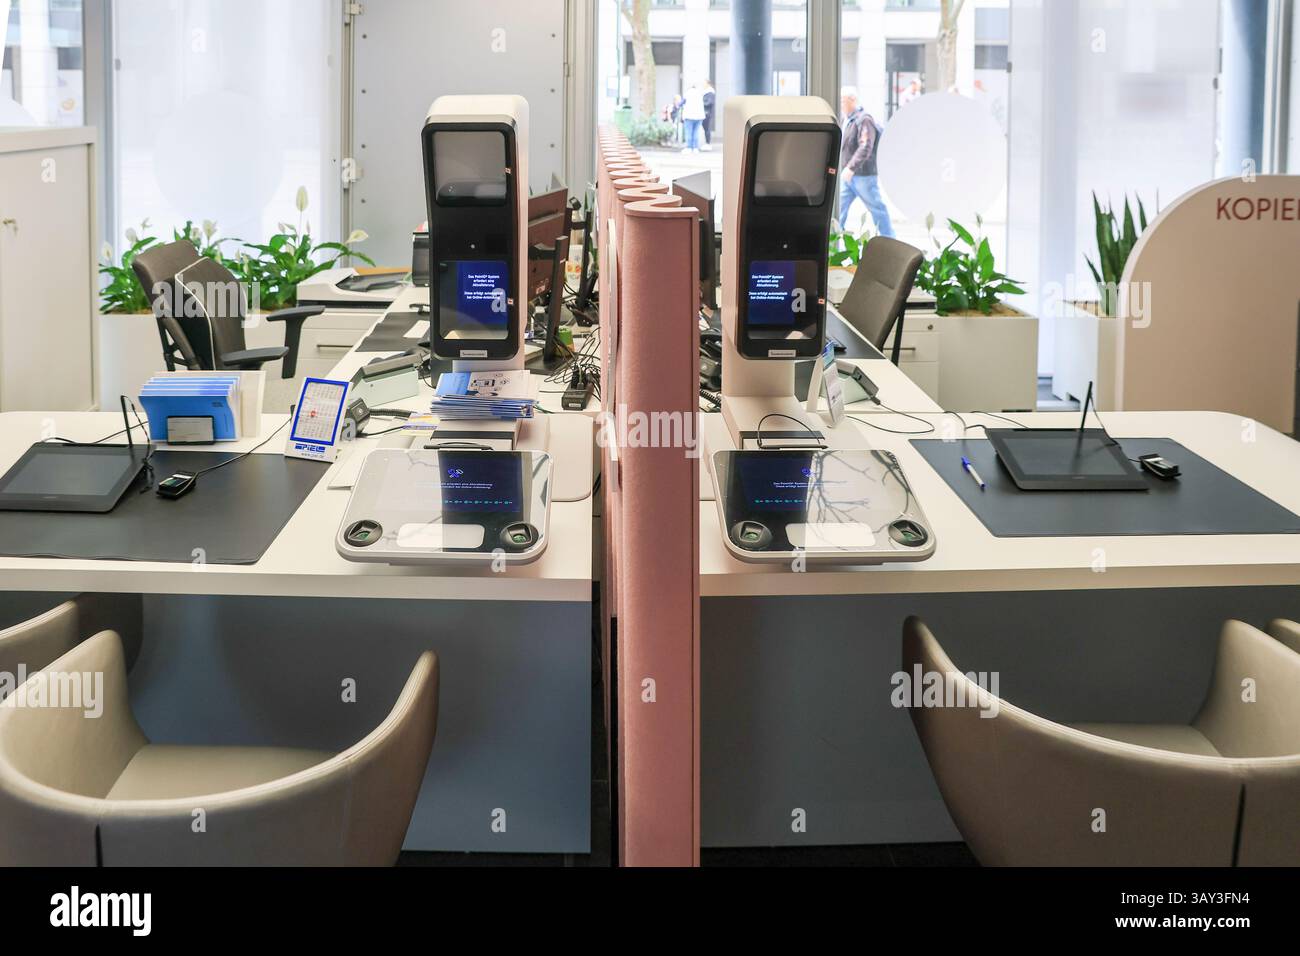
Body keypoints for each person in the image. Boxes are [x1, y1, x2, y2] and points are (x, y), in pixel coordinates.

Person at [837, 86, 894, 237]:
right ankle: (832, 243)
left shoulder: (864, 119)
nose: (840, 104)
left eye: (843, 101)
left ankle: (891, 240)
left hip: (863, 175)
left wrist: (851, 168)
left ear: (853, 100)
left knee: (877, 209)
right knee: (838, 210)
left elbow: (866, 145)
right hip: (848, 175)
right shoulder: (847, 120)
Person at [681, 83, 706, 154]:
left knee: (689, 132)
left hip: (689, 116)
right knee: (696, 132)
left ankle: (689, 147)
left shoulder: (687, 93)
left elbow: (681, 103)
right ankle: (695, 148)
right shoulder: (699, 94)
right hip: (699, 116)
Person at [701, 81, 716, 150]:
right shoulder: (707, 92)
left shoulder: (710, 92)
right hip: (706, 113)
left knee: (707, 128)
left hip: (707, 113)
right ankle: (706, 143)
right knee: (705, 128)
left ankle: (708, 143)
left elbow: (709, 103)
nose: (703, 85)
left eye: (704, 83)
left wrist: (701, 103)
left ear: (708, 84)